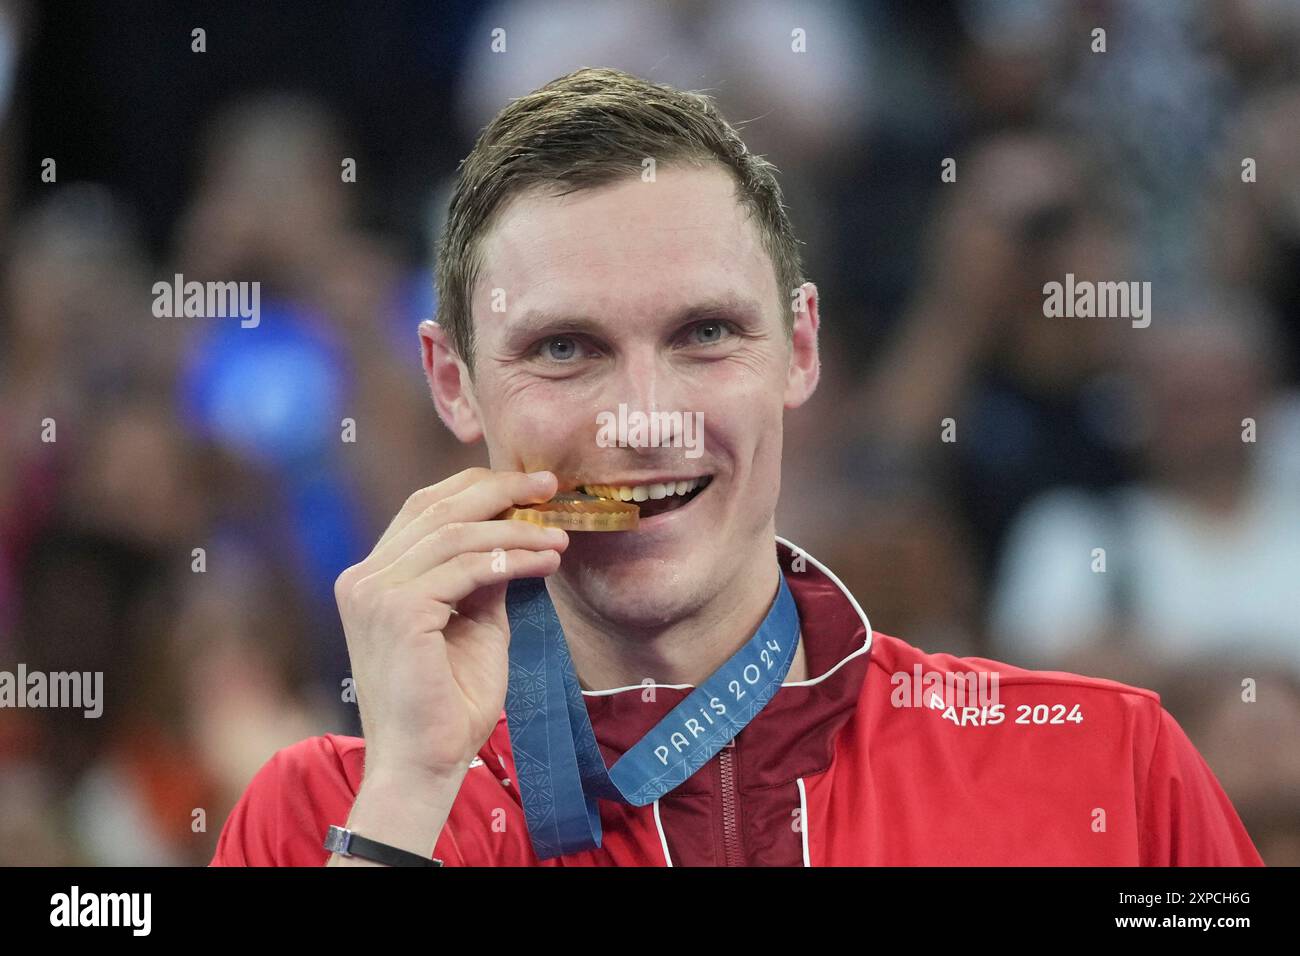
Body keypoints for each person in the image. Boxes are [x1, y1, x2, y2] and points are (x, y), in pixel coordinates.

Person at [210, 67, 1262, 867]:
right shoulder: (325, 817)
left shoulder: (1099, 767)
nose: (646, 419)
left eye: (706, 332)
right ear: (453, 382)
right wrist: (411, 794)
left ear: (799, 349)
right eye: (563, 347)